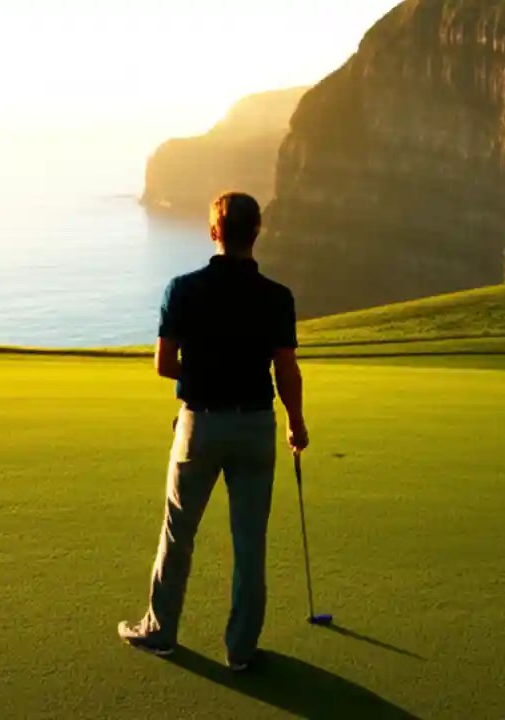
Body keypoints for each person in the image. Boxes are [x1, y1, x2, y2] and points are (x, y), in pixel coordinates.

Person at [117, 191, 309, 672]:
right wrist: (297, 424)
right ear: (256, 233)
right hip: (256, 427)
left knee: (178, 533)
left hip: (199, 425)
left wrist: (199, 377)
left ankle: (160, 632)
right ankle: (241, 651)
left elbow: (164, 364)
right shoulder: (277, 297)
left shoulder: (181, 289)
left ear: (213, 232)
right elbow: (287, 371)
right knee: (249, 544)